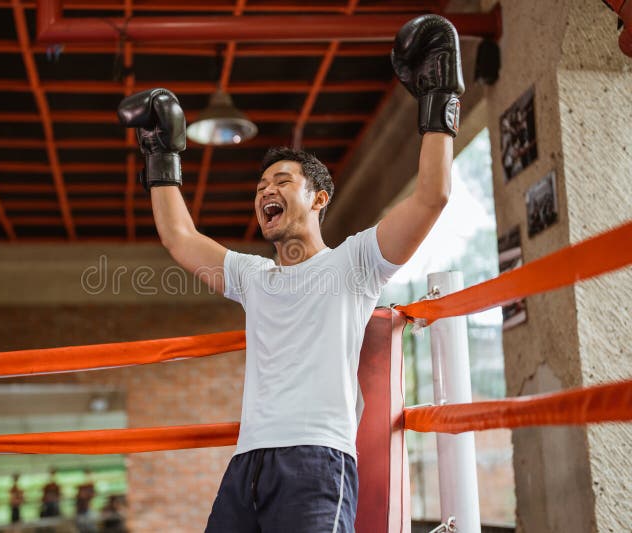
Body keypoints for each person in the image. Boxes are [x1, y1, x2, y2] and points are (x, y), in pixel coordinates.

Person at [118, 14, 463, 533]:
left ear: (319, 198)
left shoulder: (355, 263)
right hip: (246, 466)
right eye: (259, 188)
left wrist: (439, 99)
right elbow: (181, 238)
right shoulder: (255, 278)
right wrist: (161, 156)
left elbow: (431, 196)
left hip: (316, 461)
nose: (265, 193)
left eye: (281, 181)